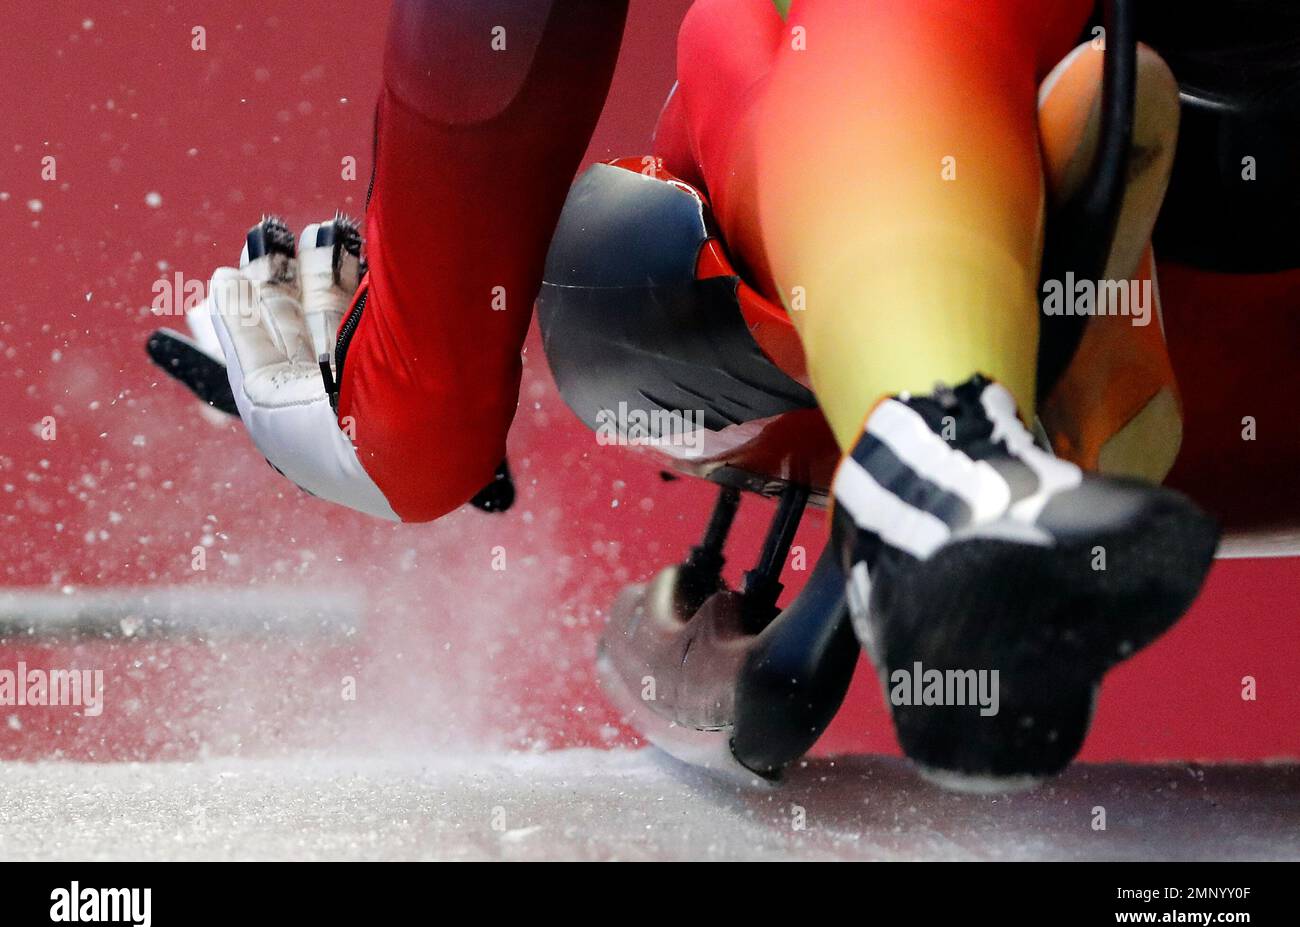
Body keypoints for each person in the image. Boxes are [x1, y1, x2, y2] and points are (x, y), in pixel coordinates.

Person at [150, 0, 1219, 789]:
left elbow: (490, 52)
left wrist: (403, 416)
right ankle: (961, 438)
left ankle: (943, 465)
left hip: (846, 252)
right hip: (917, 213)